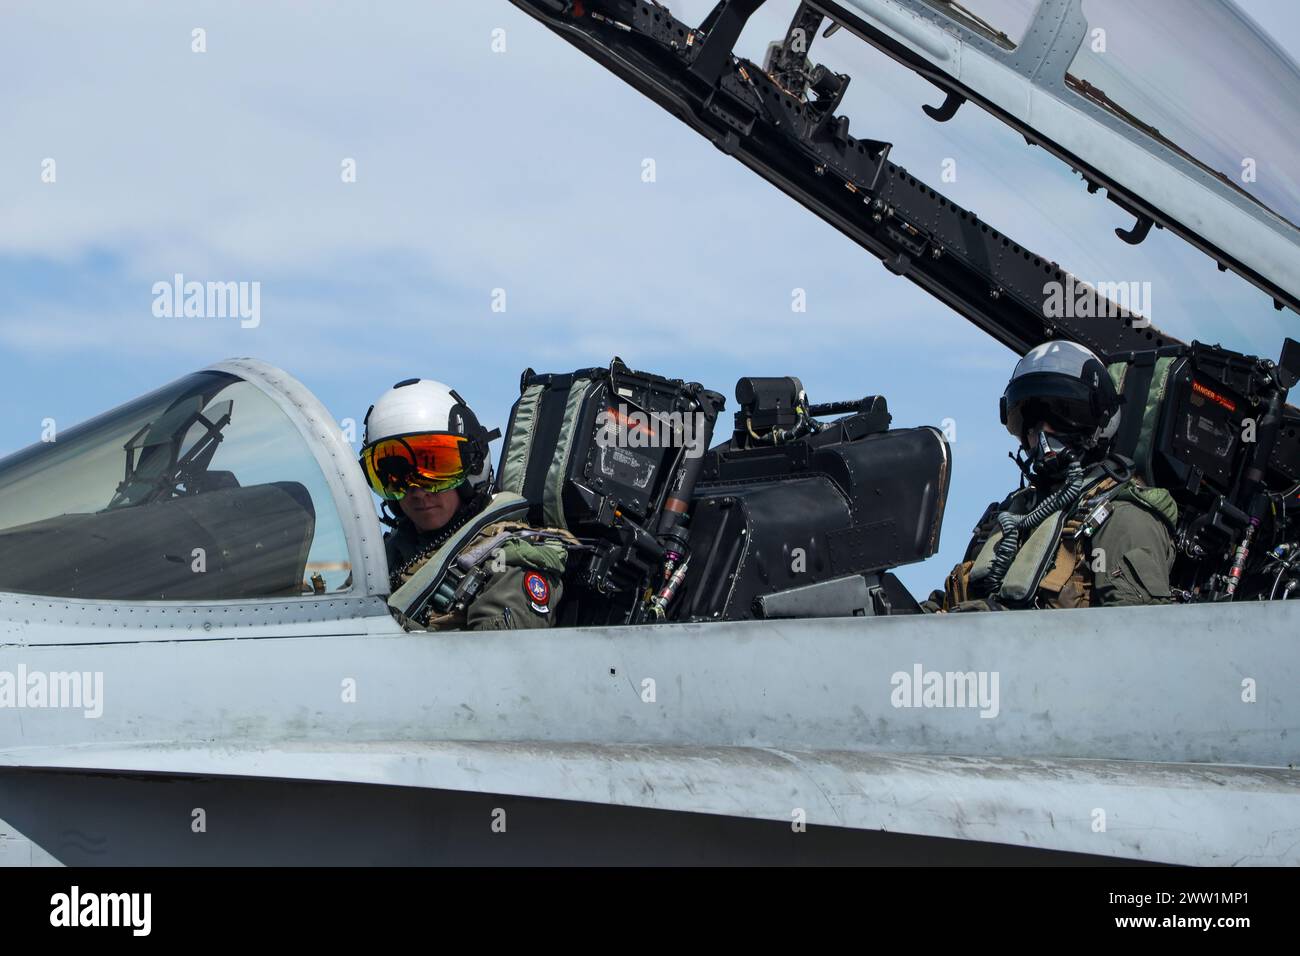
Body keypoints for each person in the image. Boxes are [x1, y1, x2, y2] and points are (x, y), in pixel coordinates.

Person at [923, 340, 1178, 612]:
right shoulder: (1007, 517)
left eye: (1062, 414)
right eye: (1032, 420)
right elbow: (945, 608)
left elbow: (1135, 632)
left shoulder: (1122, 520)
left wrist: (1001, 624)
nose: (1043, 432)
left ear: (1100, 421)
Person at [359, 378, 574, 630]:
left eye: (435, 469)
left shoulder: (507, 561)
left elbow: (499, 653)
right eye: (395, 475)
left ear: (473, 464)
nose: (417, 491)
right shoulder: (383, 560)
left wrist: (393, 629)